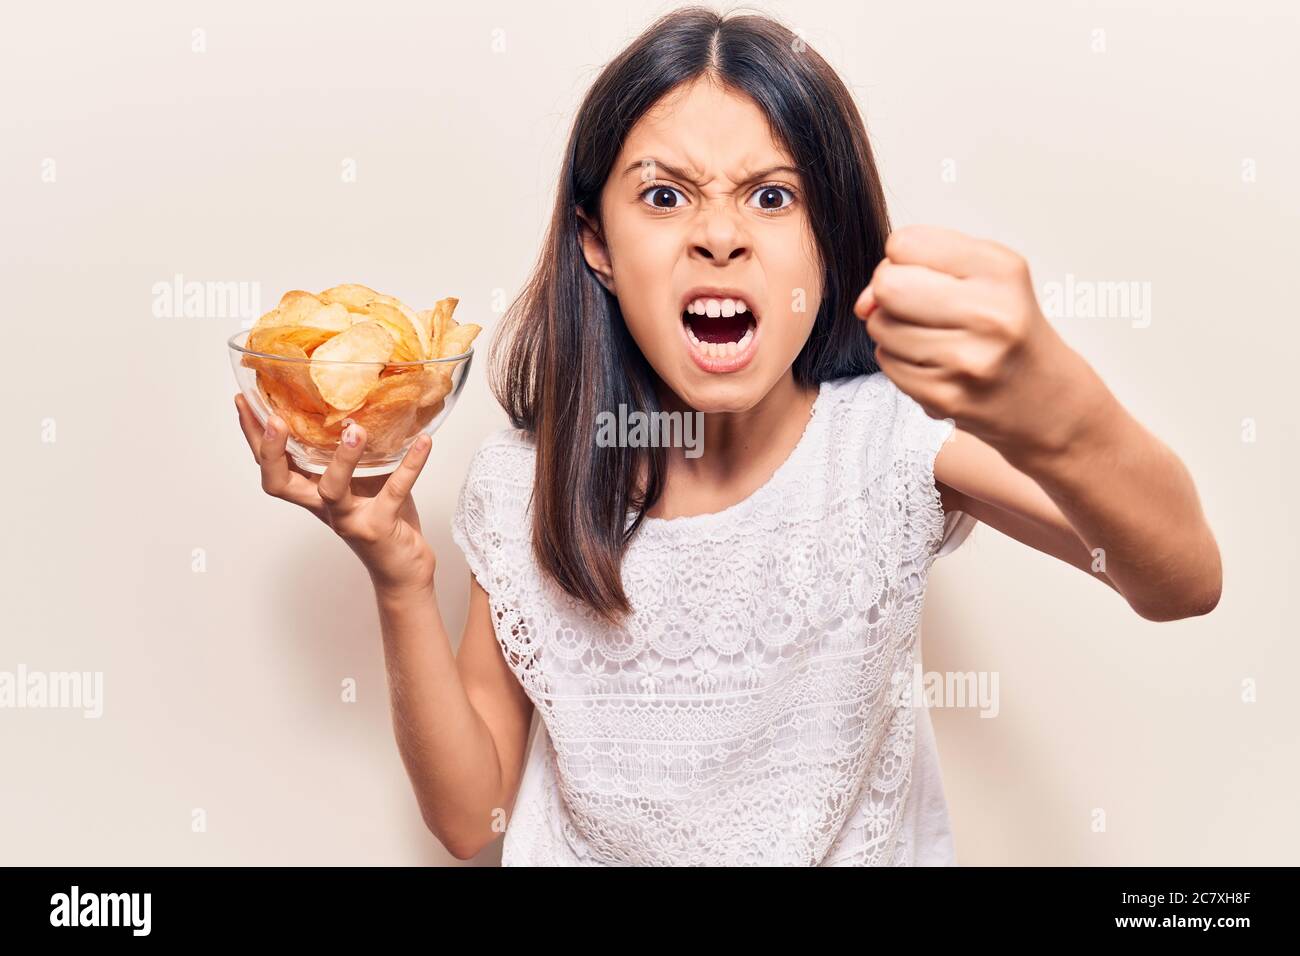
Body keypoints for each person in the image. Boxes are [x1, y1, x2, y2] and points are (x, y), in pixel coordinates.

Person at [233, 6, 1221, 865]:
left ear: (827, 243)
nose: (719, 234)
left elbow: (1179, 580)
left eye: (772, 194)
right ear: (596, 242)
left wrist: (1058, 403)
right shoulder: (526, 483)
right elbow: (468, 814)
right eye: (664, 196)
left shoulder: (887, 442)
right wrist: (399, 576)